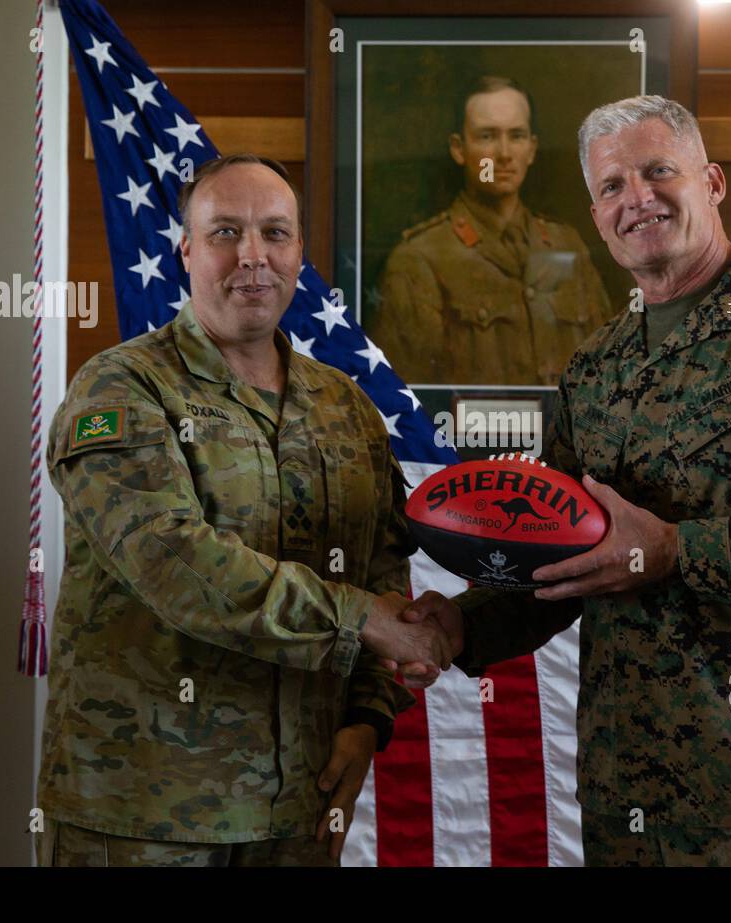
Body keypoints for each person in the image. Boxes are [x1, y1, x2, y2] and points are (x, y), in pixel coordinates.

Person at [399, 96, 731, 866]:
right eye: (613, 186)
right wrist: (460, 627)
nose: (638, 199)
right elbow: (558, 555)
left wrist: (676, 551)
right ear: (596, 215)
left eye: (659, 172)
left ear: (713, 182)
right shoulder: (595, 368)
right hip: (628, 803)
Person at [36, 155, 453, 867]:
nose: (252, 257)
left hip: (299, 813)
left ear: (299, 253)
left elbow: (385, 569)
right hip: (145, 818)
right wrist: (363, 620)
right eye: (226, 231)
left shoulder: (345, 407)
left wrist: (366, 720)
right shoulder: (120, 388)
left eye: (275, 233)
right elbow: (174, 563)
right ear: (187, 251)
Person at [369, 75, 612, 386]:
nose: (504, 153)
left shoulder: (567, 245)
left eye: (517, 136)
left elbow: (606, 369)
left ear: (532, 149)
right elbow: (405, 401)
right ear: (459, 149)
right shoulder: (419, 258)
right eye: (487, 136)